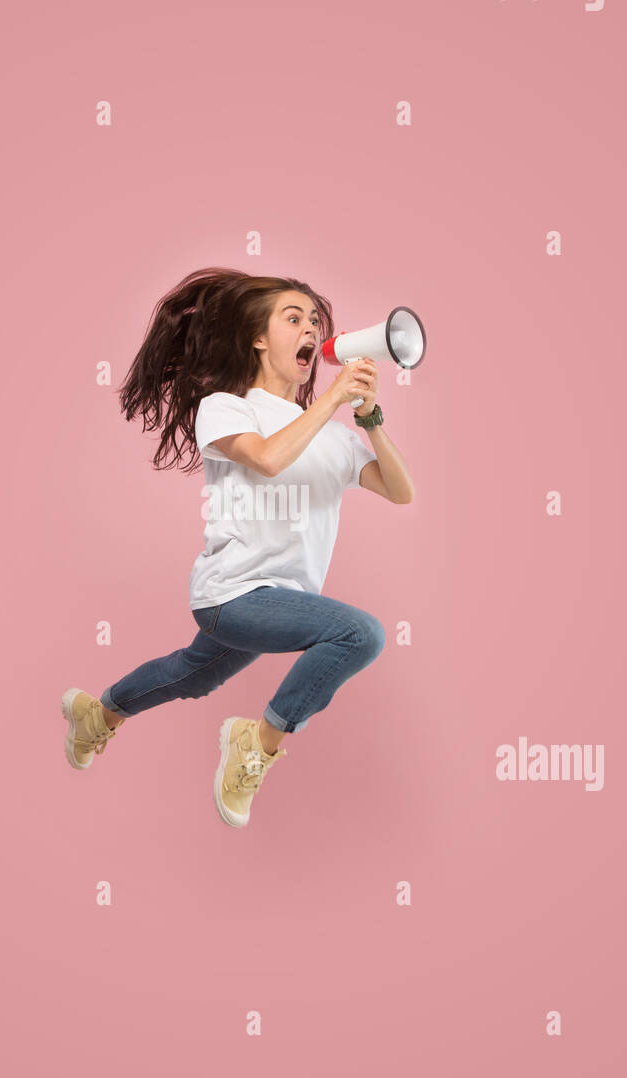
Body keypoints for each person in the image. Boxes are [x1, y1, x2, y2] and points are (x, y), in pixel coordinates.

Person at [61, 267, 415, 827]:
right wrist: (331, 401)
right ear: (257, 337)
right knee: (360, 632)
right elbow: (268, 459)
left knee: (194, 675)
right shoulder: (227, 408)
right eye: (292, 318)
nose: (309, 328)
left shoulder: (336, 437)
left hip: (284, 602)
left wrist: (367, 417)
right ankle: (259, 742)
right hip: (232, 595)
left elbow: (400, 491)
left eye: (314, 320)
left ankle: (95, 715)